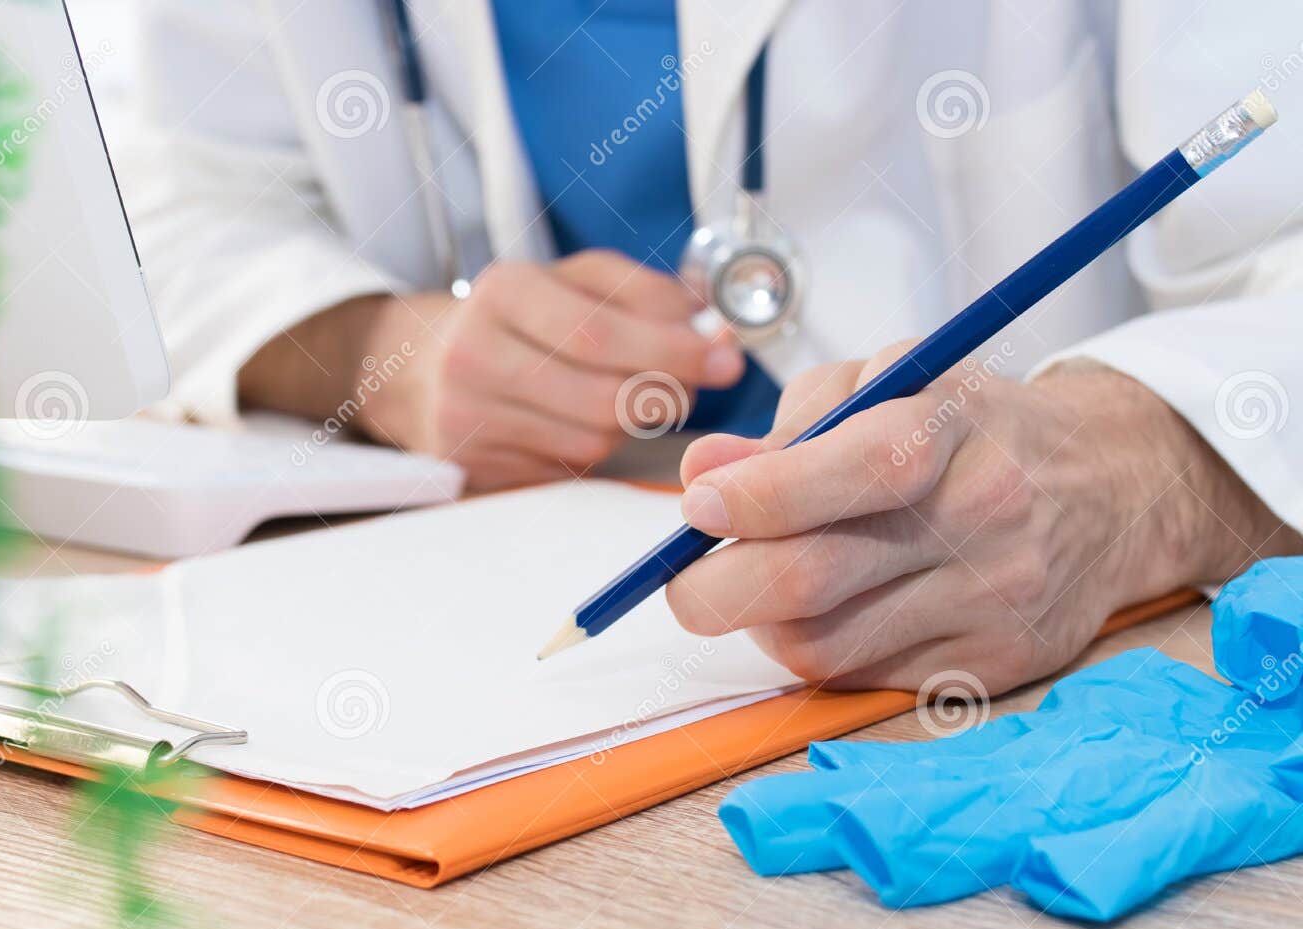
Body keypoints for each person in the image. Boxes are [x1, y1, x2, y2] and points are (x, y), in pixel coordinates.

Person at [118, 0, 1303, 694]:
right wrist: (384, 349)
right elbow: (176, 197)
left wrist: (1132, 470)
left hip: (1007, 678)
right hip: (494, 566)